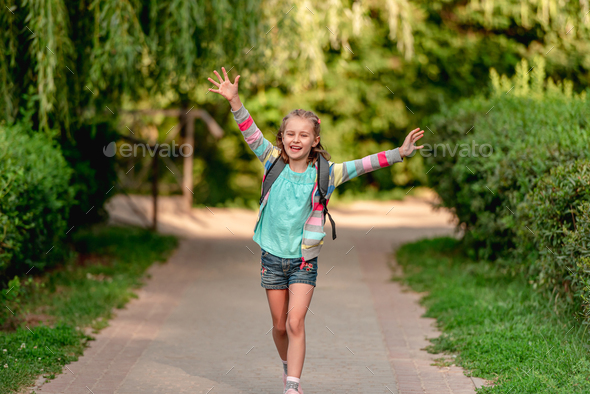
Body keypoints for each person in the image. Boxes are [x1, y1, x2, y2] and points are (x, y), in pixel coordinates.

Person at [208, 67, 424, 394]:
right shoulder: (271, 161)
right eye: (290, 134)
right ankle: (287, 366)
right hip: (271, 256)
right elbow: (250, 132)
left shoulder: (328, 173)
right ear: (282, 138)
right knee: (279, 327)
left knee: (295, 322)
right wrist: (235, 101)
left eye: (304, 135)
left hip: (304, 260)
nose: (296, 140)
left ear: (315, 140)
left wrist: (399, 154)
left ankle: (293, 386)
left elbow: (364, 164)